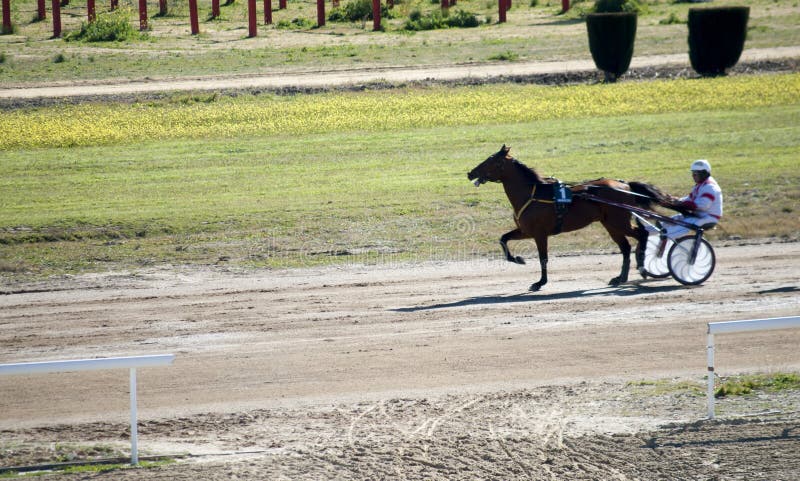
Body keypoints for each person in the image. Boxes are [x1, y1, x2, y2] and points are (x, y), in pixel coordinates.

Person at [663, 159, 723, 238]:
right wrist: (675, 200)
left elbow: (703, 205)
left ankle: (665, 238)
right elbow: (689, 199)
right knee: (665, 223)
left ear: (704, 173)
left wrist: (682, 204)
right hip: (698, 215)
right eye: (693, 173)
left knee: (668, 233)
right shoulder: (699, 185)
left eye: (695, 173)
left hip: (708, 217)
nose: (693, 176)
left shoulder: (710, 187)